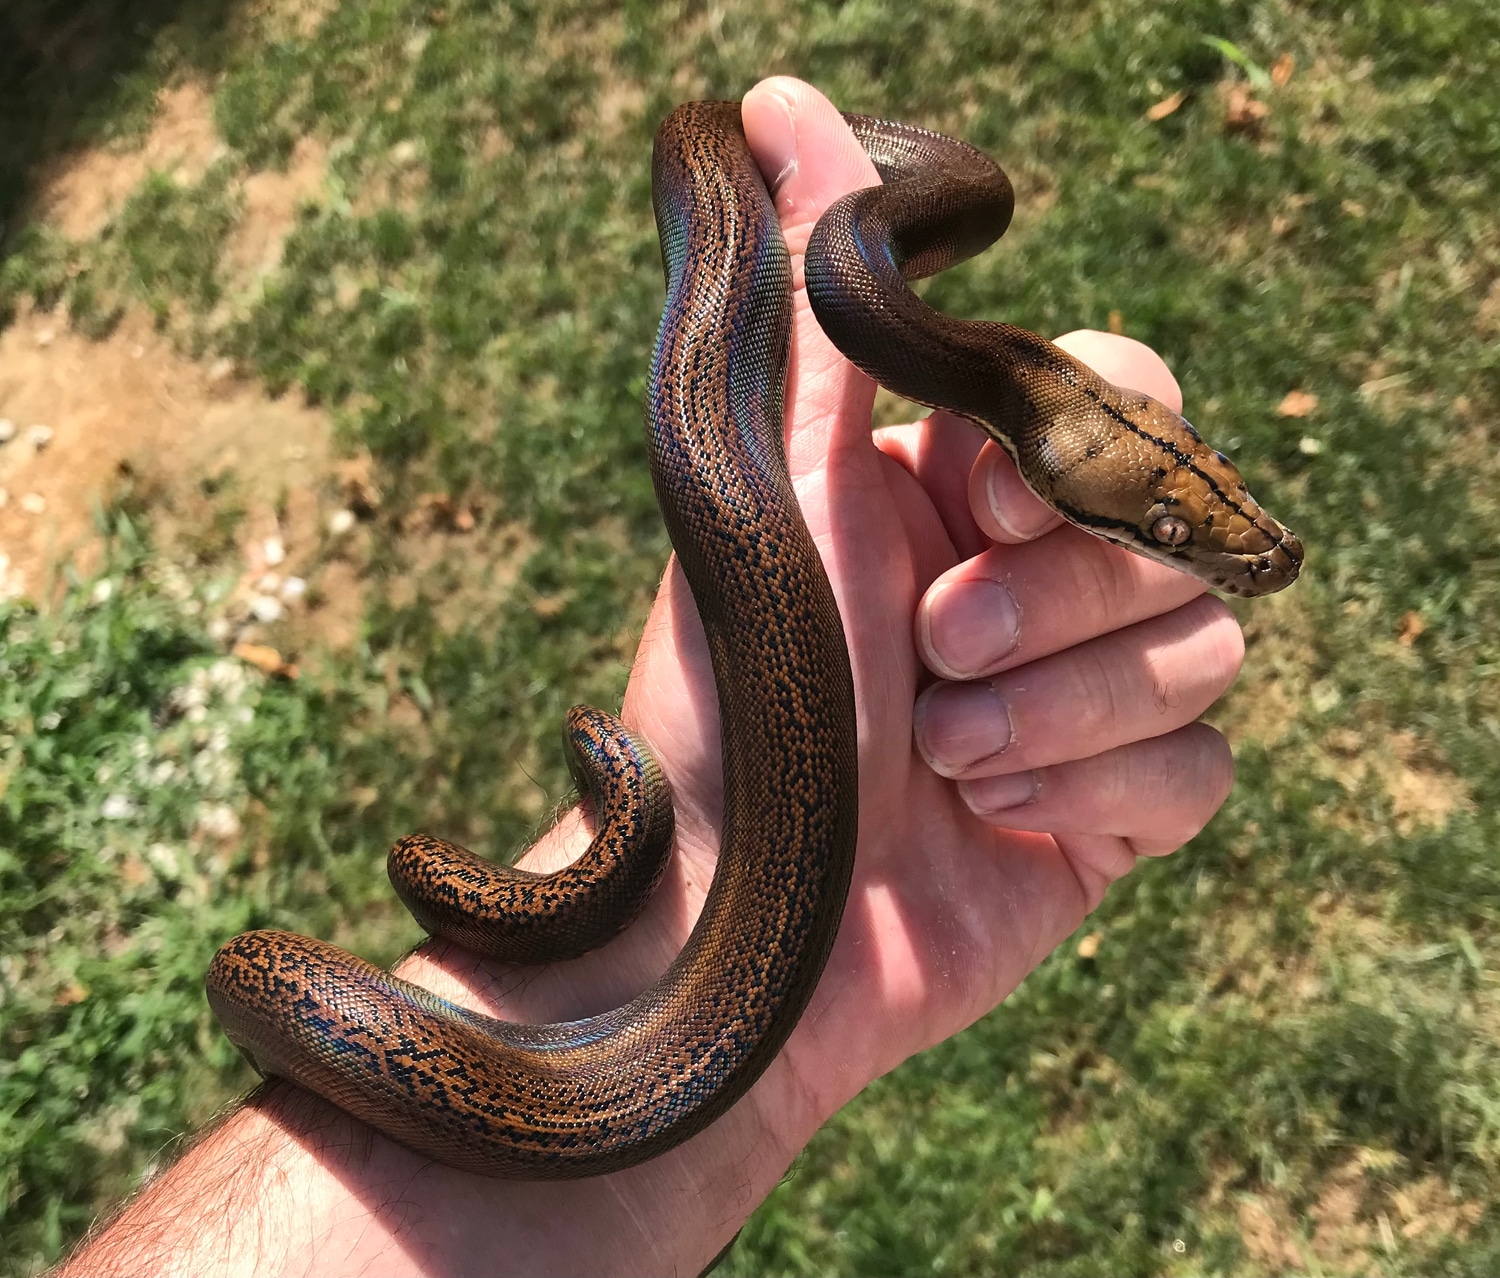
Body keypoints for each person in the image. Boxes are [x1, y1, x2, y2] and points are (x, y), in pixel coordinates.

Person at [58, 77, 1246, 1277]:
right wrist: (663, 863)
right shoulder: (843, 268)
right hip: (693, 993)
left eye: (1170, 530)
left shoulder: (854, 265)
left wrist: (655, 875)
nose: (1194, 547)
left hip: (734, 990)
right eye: (1173, 528)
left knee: (261, 976)